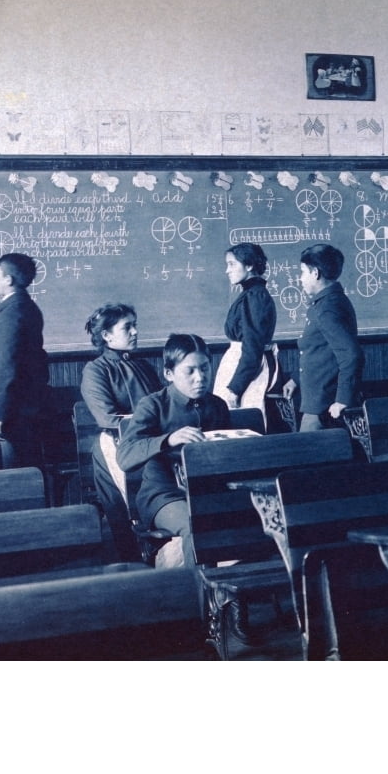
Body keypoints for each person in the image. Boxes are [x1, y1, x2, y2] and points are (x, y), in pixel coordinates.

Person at [116, 333, 229, 567]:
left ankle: (228, 591)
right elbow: (125, 456)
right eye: (190, 371)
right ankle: (197, 598)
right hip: (163, 496)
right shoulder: (153, 405)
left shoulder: (217, 405)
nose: (200, 377)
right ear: (169, 373)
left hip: (208, 493)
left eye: (205, 368)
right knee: (195, 522)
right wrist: (167, 440)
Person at [80, 302, 163, 562]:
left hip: (152, 441)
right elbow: (107, 417)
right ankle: (138, 558)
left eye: (135, 325)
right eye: (128, 327)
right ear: (106, 335)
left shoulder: (144, 366)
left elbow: (165, 404)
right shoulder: (96, 370)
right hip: (118, 445)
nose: (135, 332)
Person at [282, 244, 364, 431]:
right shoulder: (328, 302)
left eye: (303, 272)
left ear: (315, 273)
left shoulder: (326, 308)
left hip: (324, 405)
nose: (300, 278)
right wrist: (295, 378)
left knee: (308, 456)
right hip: (320, 399)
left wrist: (343, 400)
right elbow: (320, 349)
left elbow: (351, 355)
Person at [0, 253, 49, 470]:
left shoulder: (10, 313)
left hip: (17, 411)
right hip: (31, 406)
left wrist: (0, 415)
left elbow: (7, 368)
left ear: (8, 279)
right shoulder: (27, 307)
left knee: (19, 471)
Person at [213, 243, 279, 418]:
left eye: (232, 264)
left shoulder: (255, 297)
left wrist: (235, 388)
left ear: (249, 266)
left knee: (243, 422)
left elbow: (252, 348)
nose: (228, 270)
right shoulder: (252, 294)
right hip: (240, 363)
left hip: (246, 368)